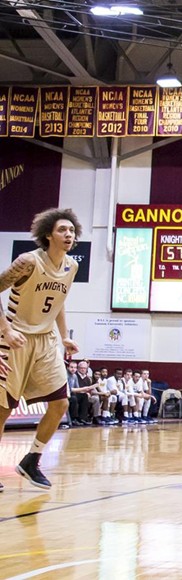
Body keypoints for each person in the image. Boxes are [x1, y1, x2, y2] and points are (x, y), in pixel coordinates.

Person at [0, 208, 82, 490]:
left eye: (72, 230)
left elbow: (59, 302)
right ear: (48, 235)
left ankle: (31, 460)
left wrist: (64, 336)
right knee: (3, 409)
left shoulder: (71, 266)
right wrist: (6, 330)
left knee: (60, 404)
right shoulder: (28, 261)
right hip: (16, 337)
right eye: (62, 230)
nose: (68, 234)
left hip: (45, 340)